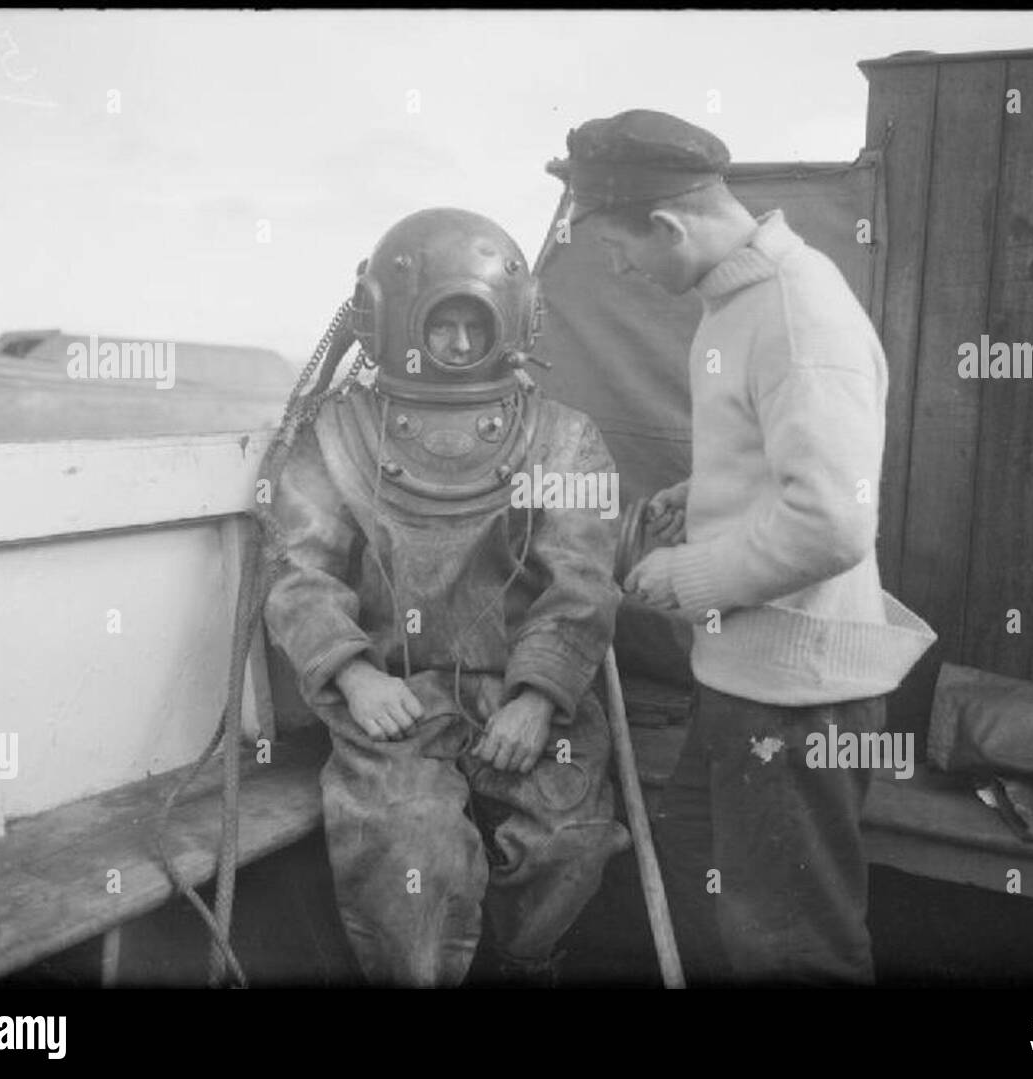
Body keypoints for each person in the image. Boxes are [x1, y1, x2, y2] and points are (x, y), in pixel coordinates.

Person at [563, 109, 936, 985]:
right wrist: (699, 497)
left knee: (796, 945)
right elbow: (781, 457)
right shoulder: (734, 301)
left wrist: (689, 574)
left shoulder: (797, 316)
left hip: (798, 704)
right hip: (744, 681)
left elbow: (833, 522)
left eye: (620, 252)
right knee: (699, 861)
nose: (622, 271)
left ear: (666, 223)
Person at [263, 208, 630, 987]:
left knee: (568, 843)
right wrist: (356, 677)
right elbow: (301, 573)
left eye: (477, 321)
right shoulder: (337, 435)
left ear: (515, 322)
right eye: (441, 322)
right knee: (412, 858)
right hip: (396, 701)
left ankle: (523, 967)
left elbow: (583, 581)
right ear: (387, 322)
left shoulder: (564, 437)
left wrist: (538, 696)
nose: (461, 344)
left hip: (526, 699)